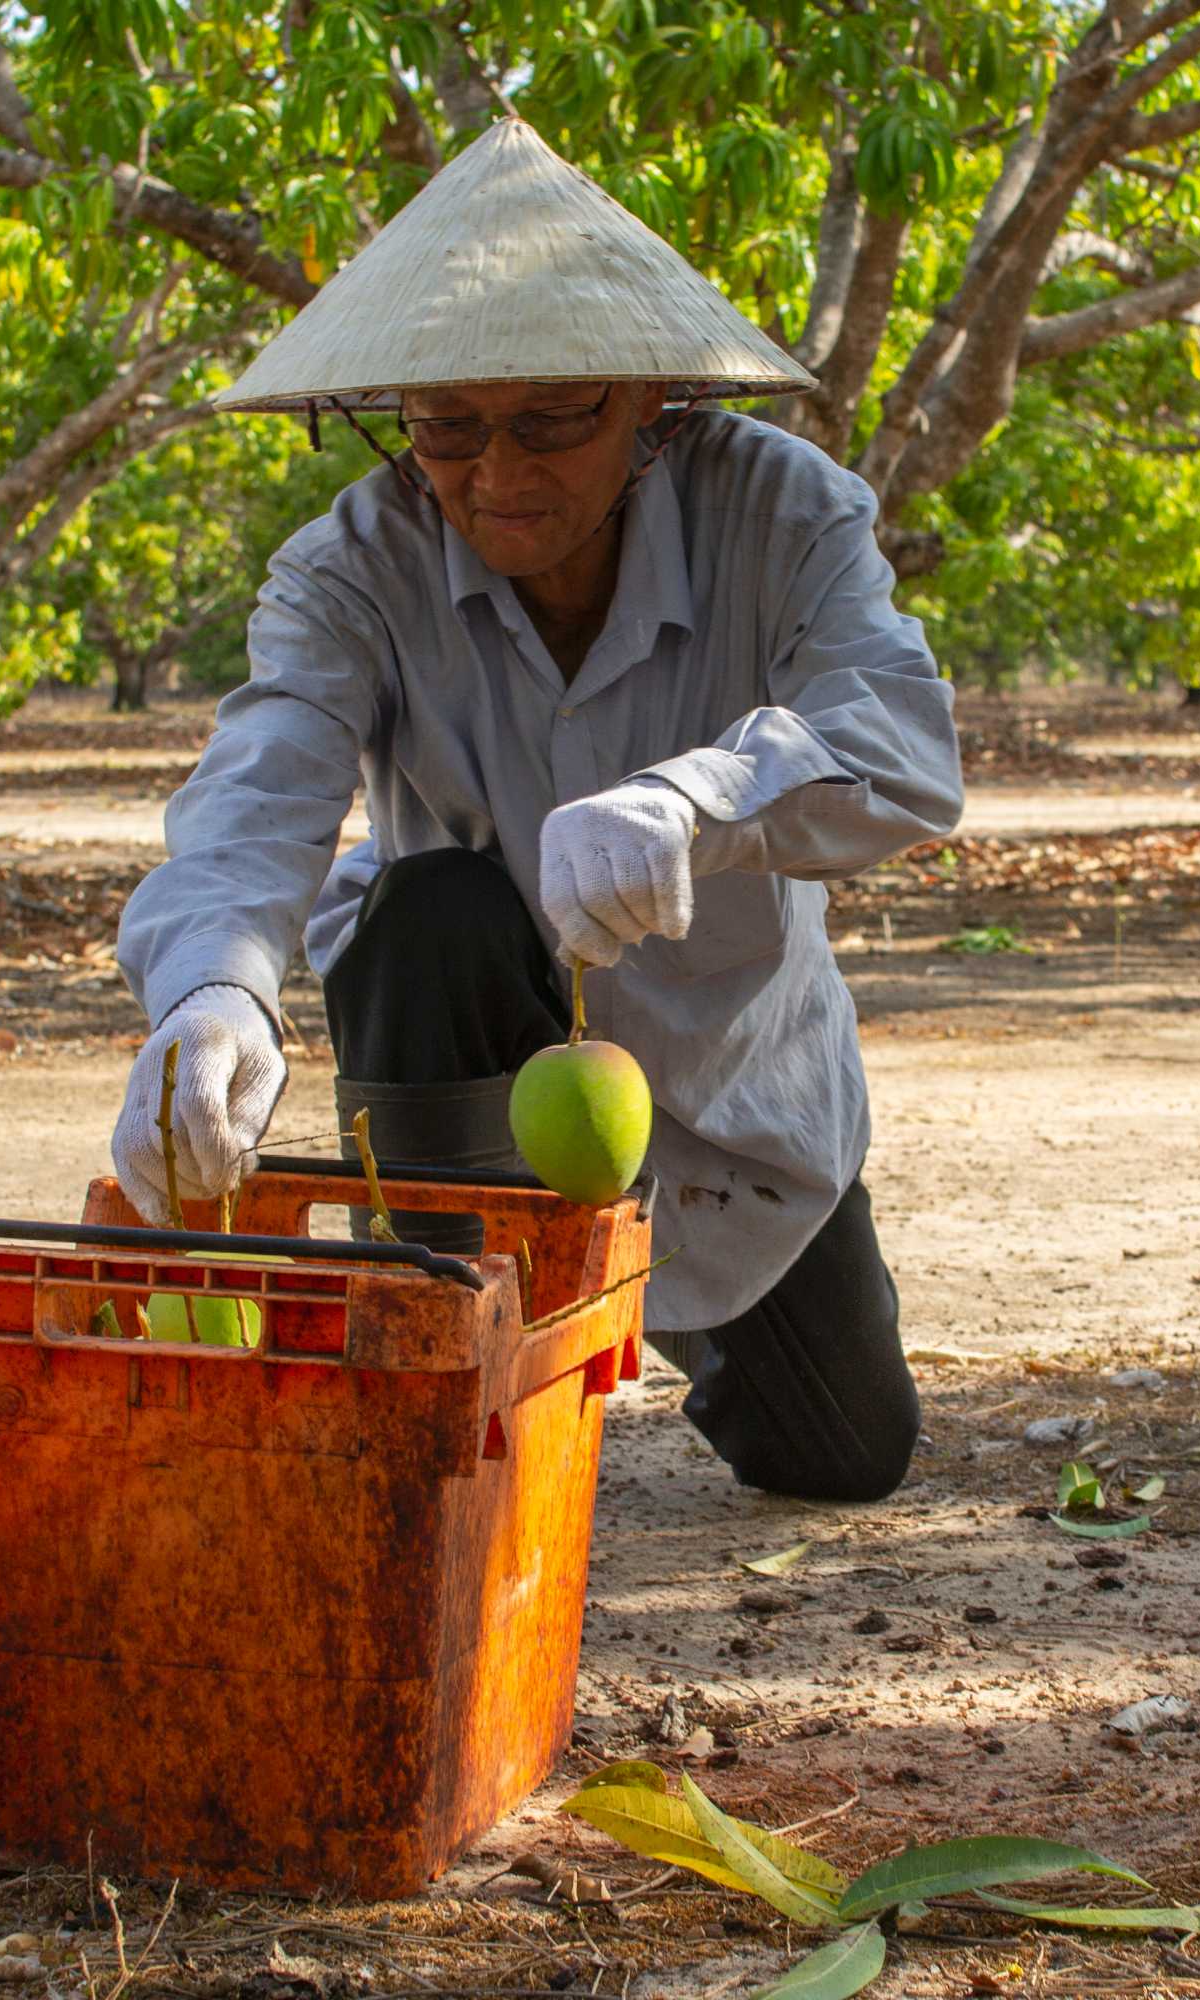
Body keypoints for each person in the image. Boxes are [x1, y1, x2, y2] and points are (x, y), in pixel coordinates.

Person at [110, 120, 962, 1503]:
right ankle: (439, 1392)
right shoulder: (348, 570)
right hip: (468, 1052)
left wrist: (703, 797)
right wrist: (213, 990)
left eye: (553, 418)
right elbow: (261, 785)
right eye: (448, 428)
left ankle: (675, 1335)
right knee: (420, 909)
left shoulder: (787, 514)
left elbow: (908, 746)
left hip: (734, 1097)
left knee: (846, 1456)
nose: (496, 476)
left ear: (651, 407)